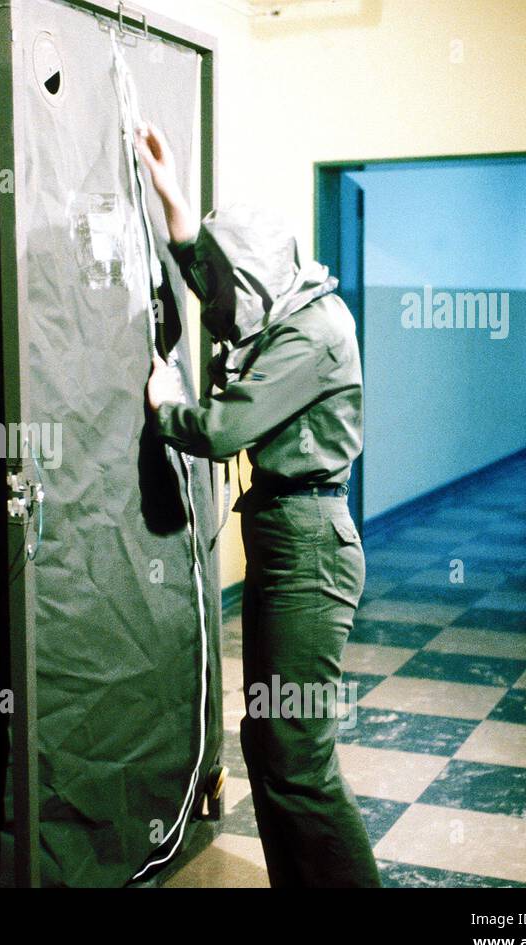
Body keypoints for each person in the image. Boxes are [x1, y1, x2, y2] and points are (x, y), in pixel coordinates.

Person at [135, 122, 381, 888]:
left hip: (309, 549)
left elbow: (222, 428)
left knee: (298, 755)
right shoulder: (292, 310)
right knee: (268, 740)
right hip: (287, 539)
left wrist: (167, 403)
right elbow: (219, 284)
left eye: (235, 285)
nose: (224, 304)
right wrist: (174, 199)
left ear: (263, 277)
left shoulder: (314, 333)